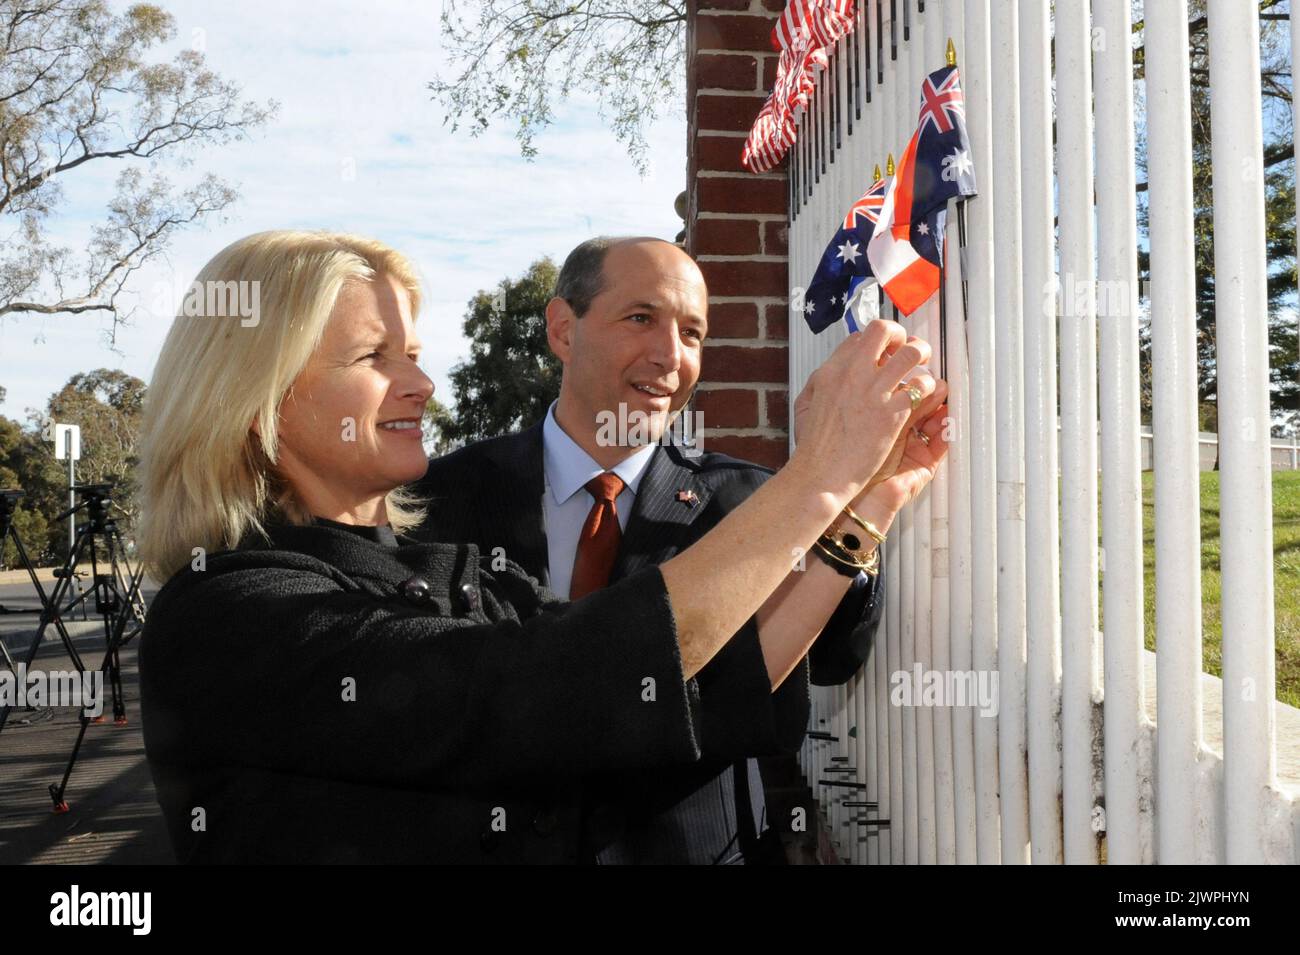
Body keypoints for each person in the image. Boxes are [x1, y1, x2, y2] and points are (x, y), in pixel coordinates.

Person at [135, 229, 949, 864]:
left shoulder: (440, 569)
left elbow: (666, 690)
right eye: (373, 358)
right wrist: (815, 480)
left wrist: (863, 501)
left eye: (413, 355)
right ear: (259, 404)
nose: (420, 385)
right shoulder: (225, 616)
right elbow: (537, 685)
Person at [413, 235, 948, 863]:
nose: (671, 356)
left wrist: (859, 497)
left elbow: (833, 657)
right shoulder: (434, 498)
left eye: (692, 334)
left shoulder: (752, 498)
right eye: (641, 318)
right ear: (562, 329)